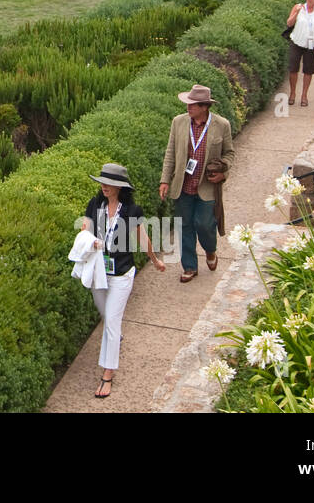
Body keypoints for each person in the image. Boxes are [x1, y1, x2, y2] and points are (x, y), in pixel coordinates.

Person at [81, 163, 164, 398]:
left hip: (122, 274)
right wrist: (88, 240)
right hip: (99, 272)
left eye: (109, 183)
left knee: (111, 323)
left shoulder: (131, 211)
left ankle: (107, 374)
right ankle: (115, 336)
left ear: (120, 187)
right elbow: (85, 229)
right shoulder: (95, 203)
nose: (104, 186)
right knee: (107, 316)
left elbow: (142, 238)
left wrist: (155, 260)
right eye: (102, 182)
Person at [159, 84, 234, 284]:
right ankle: (190, 267)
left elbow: (229, 154)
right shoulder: (178, 122)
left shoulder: (222, 124)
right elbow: (170, 153)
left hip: (207, 187)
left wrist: (223, 172)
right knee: (184, 226)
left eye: (192, 105)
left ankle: (211, 251)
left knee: (205, 224)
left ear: (204, 107)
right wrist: (165, 180)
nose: (188, 107)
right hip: (182, 185)